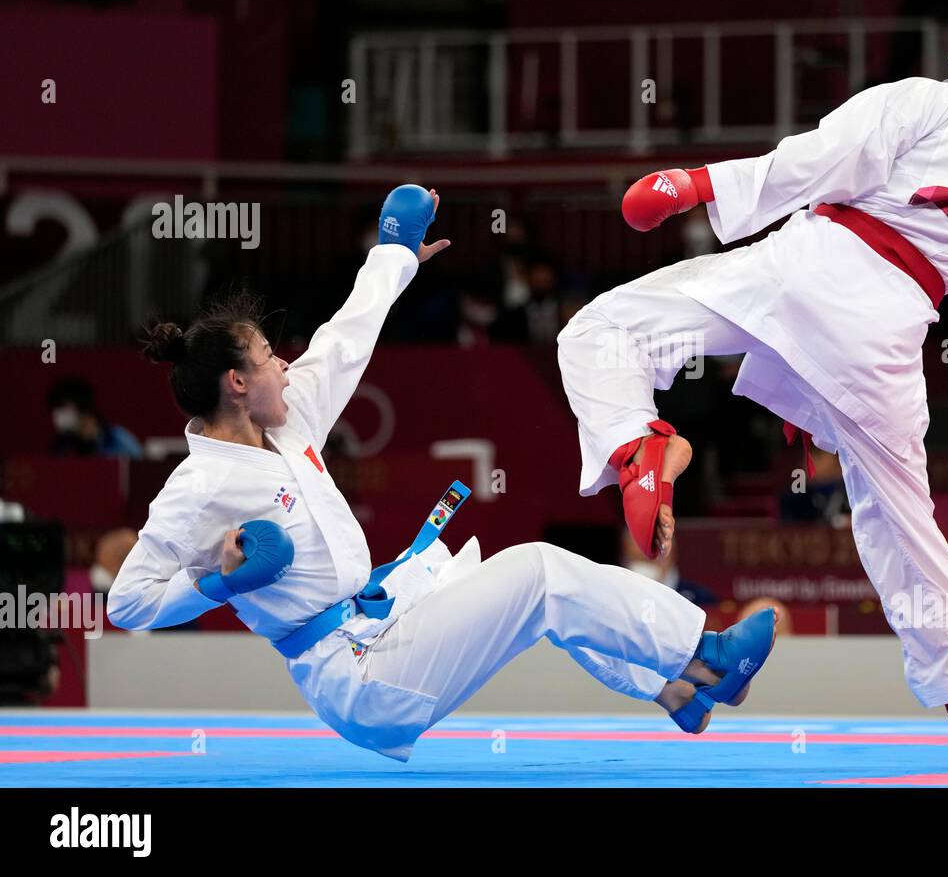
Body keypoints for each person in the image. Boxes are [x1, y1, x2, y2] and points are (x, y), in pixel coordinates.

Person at [557, 0, 948, 770]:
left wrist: (698, 183)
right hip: (890, 326)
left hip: (813, 264)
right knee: (903, 524)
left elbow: (824, 155)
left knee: (604, 328)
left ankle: (636, 442)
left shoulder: (927, 101)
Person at [106, 185, 779, 762]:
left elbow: (348, 334)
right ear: (236, 383)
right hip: (356, 678)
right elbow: (127, 604)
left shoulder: (288, 417)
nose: (283, 364)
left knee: (503, 589)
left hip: (380, 618)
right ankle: (707, 655)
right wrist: (217, 581)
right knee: (539, 574)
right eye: (266, 357)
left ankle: (674, 686)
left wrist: (395, 251)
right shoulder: (198, 491)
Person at [47, 377, 143, 459]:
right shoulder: (61, 447)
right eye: (56, 409)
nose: (58, 414)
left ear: (84, 410)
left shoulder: (119, 440)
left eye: (63, 407)